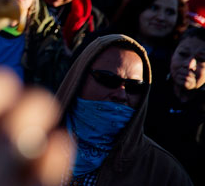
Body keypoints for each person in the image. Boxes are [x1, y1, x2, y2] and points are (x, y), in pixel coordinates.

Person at [55, 34, 193, 186]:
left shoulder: (164, 174)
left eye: (135, 87)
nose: (121, 95)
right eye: (108, 79)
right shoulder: (29, 143)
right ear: (79, 78)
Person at [88, 0, 186, 83]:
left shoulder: (179, 58)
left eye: (170, 12)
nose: (161, 17)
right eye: (154, 8)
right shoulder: (103, 42)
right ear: (138, 8)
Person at [144, 26, 205, 185]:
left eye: (201, 59)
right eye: (183, 54)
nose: (190, 65)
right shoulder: (146, 90)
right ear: (172, 54)